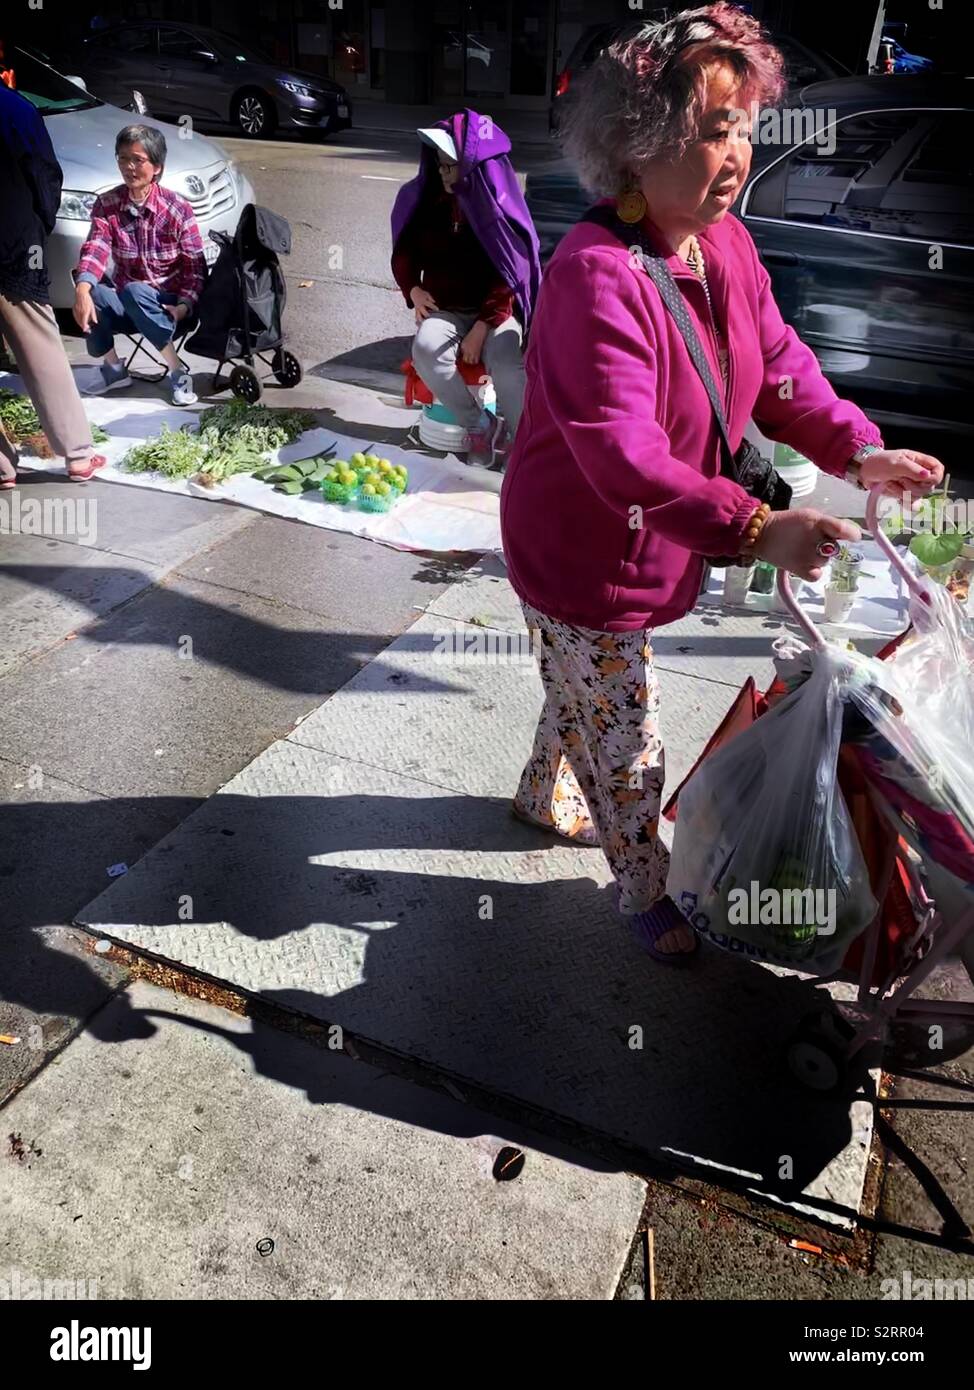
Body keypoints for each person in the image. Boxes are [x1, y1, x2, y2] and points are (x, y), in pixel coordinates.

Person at [500, 4, 944, 963]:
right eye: (712, 131)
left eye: (744, 126)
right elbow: (622, 456)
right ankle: (641, 883)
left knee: (583, 689)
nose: (738, 152)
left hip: (652, 536)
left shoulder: (724, 245)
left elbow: (778, 365)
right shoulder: (596, 275)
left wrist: (856, 452)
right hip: (583, 549)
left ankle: (547, 787)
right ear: (635, 145)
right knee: (626, 730)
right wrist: (755, 529)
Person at [391, 111, 541, 468]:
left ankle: (525, 445)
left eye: (450, 165)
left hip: (495, 312)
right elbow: (405, 251)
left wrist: (483, 326)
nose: (442, 172)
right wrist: (412, 288)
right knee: (426, 349)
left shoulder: (495, 208)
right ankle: (480, 426)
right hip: (447, 308)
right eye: (439, 164)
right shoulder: (427, 202)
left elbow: (512, 273)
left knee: (506, 363)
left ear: (472, 167)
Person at [0, 76, 106, 484]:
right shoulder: (15, 108)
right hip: (13, 246)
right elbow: (45, 176)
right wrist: (39, 226)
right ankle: (77, 456)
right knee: (40, 345)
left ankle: (3, 467)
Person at [72, 124, 205, 407]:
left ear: (156, 166)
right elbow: (95, 248)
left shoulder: (178, 209)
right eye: (122, 158)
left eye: (137, 160)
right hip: (128, 304)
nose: (129, 167)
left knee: (134, 291)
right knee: (90, 288)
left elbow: (195, 270)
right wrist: (82, 290)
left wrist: (183, 307)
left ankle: (178, 371)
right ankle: (114, 369)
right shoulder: (107, 204)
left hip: (167, 310)